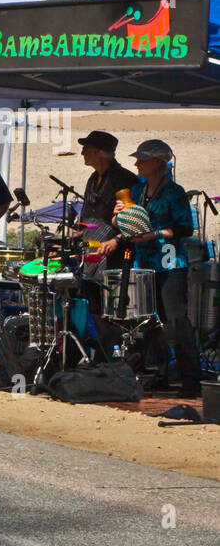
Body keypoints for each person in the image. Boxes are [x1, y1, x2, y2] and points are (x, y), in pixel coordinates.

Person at [100, 140, 202, 398]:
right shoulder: (136, 190)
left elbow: (184, 228)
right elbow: (124, 226)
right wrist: (116, 216)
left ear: (158, 163)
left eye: (142, 160)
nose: (136, 164)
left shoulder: (174, 192)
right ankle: (159, 373)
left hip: (170, 264)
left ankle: (191, 381)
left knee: (176, 320)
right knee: (146, 321)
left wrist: (154, 234)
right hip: (144, 265)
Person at [76, 131, 139, 313]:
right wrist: (80, 230)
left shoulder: (124, 180)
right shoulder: (93, 179)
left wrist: (116, 240)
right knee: (94, 307)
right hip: (92, 252)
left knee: (114, 308)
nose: (82, 153)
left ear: (98, 152)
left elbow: (133, 222)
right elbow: (89, 214)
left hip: (115, 257)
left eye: (86, 149)